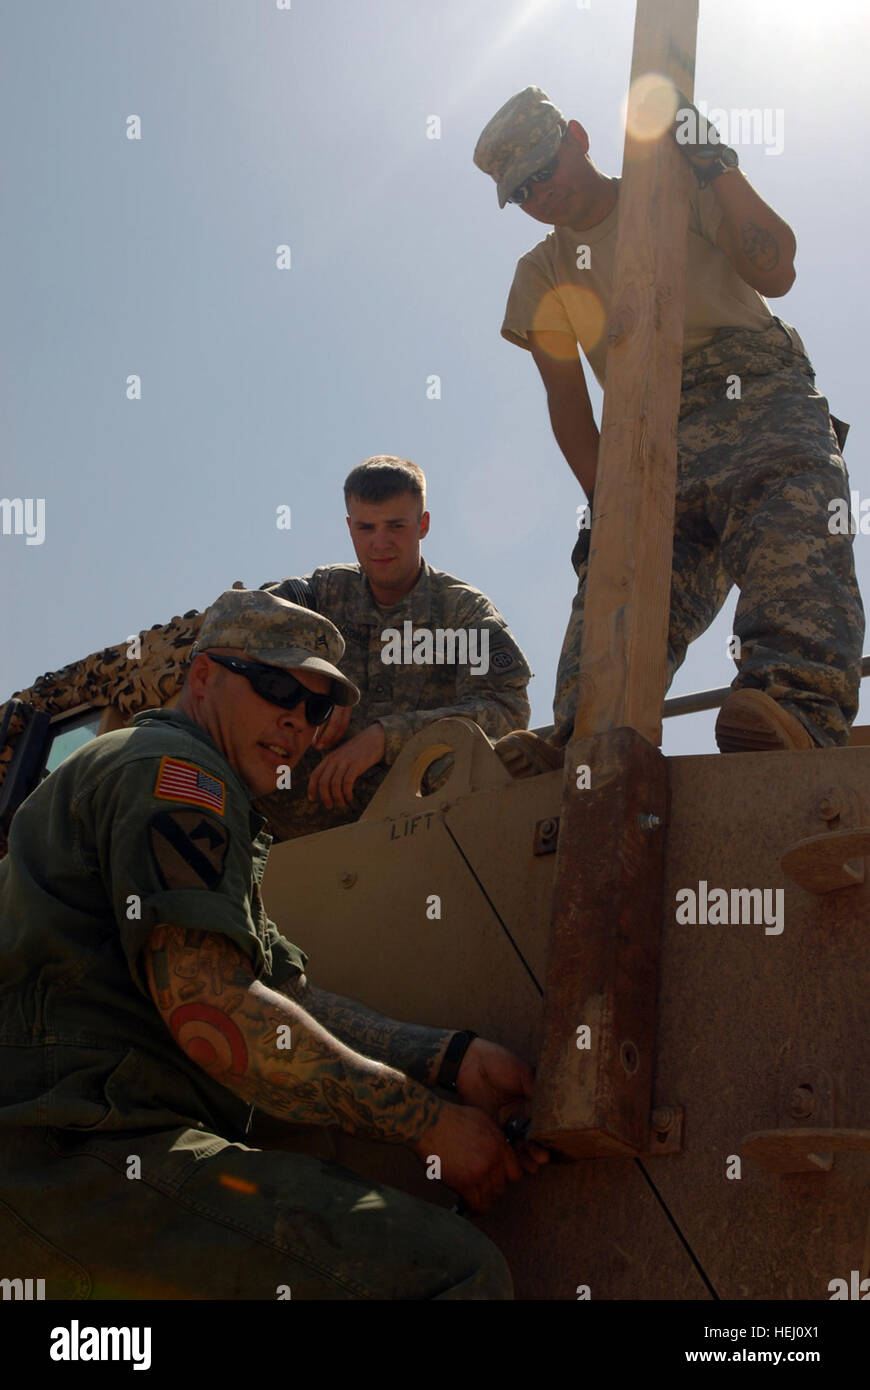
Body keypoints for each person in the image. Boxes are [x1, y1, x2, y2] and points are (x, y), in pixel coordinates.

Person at [0, 588, 546, 1300]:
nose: (297, 719)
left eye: (318, 707)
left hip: (79, 1154)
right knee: (453, 1272)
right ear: (202, 679)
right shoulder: (177, 775)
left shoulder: (168, 779)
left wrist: (449, 1058)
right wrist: (427, 1122)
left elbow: (282, 995)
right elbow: (216, 1014)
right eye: (275, 686)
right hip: (71, 1158)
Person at [473, 87, 864, 761]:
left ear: (578, 135)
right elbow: (566, 403)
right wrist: (611, 498)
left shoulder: (668, 191)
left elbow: (777, 270)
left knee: (795, 516)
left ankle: (791, 711)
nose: (542, 193)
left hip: (757, 391)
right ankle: (584, 746)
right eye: (524, 190)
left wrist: (715, 164)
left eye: (546, 167)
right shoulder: (541, 273)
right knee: (614, 590)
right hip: (643, 429)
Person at [264, 455, 532, 835]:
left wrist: (386, 736)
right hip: (308, 799)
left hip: (418, 812)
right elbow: (248, 621)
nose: (380, 543)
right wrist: (318, 675)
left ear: (422, 525)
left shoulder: (461, 611)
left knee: (483, 764)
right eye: (366, 527)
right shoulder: (327, 592)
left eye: (396, 526)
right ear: (349, 527)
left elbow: (506, 708)